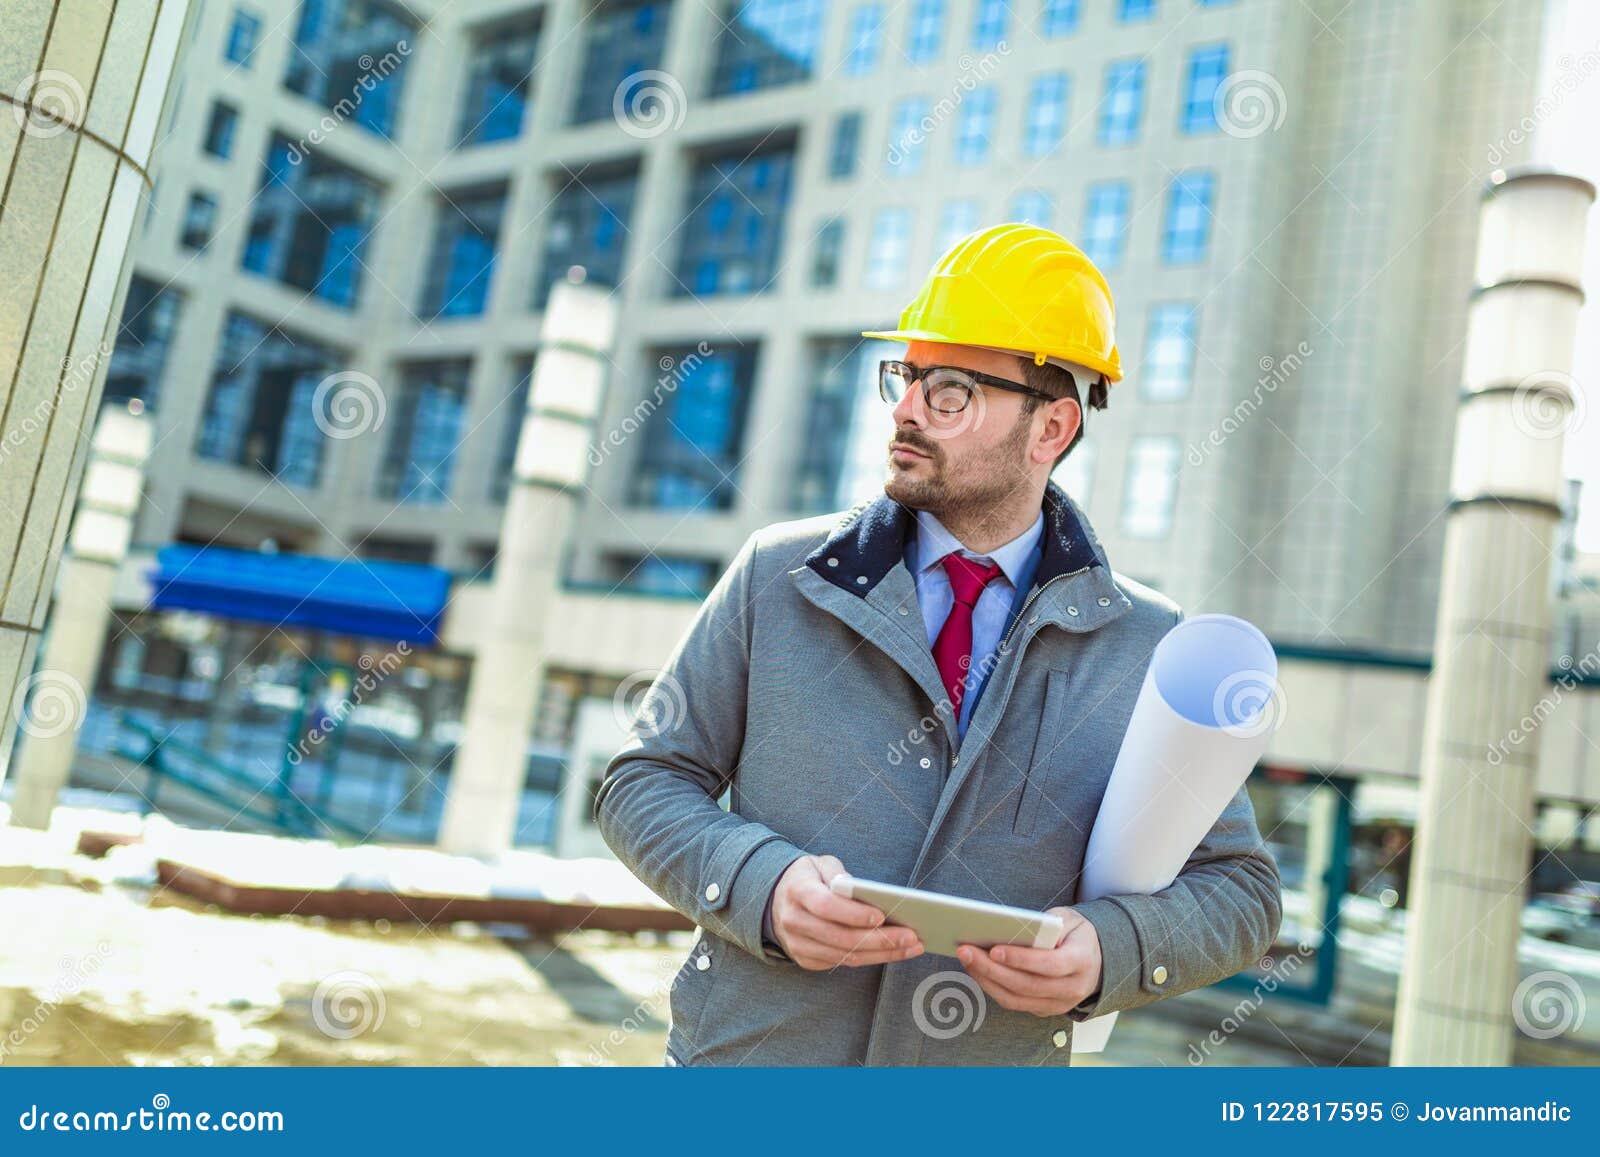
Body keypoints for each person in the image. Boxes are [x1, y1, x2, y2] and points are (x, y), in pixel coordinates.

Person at [595, 223, 1282, 1066]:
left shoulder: (1147, 647)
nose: (907, 408)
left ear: (1051, 429)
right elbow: (642, 781)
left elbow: (1242, 891)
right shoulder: (776, 577)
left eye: (950, 389)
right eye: (908, 376)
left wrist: (1112, 948)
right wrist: (759, 885)